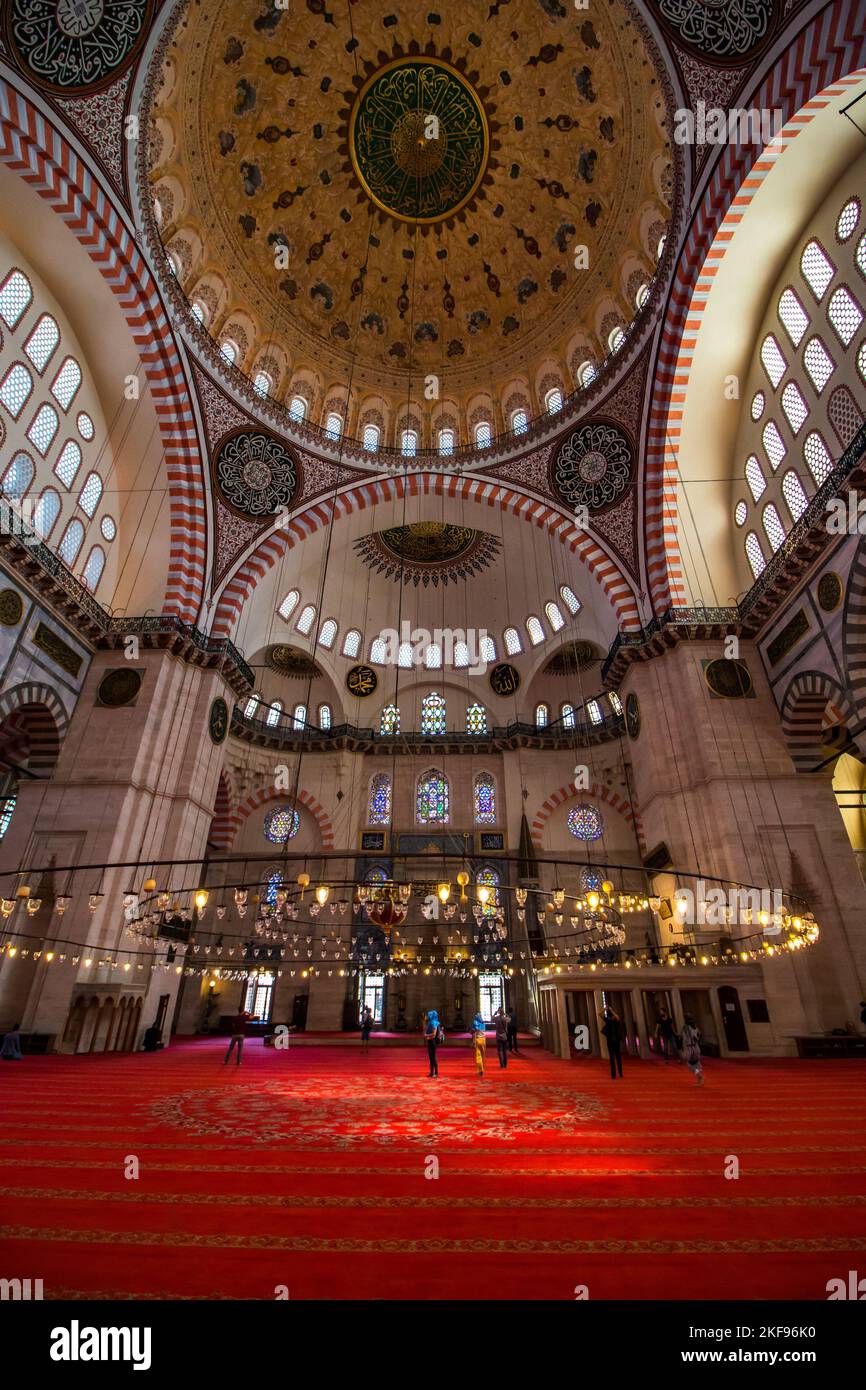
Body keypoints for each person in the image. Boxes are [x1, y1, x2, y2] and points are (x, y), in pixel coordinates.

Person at [681, 1014, 705, 1086]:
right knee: (696, 1063)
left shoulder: (685, 1027)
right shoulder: (695, 1027)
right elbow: (699, 1035)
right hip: (696, 1047)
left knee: (690, 1064)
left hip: (690, 1048)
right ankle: (699, 1078)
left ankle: (699, 1076)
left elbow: (684, 1038)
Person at [601, 1008, 623, 1080]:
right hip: (615, 1041)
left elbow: (600, 1014)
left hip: (611, 1041)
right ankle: (620, 1073)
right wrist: (611, 1010)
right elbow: (617, 1017)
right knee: (617, 1057)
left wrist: (605, 1009)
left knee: (613, 1058)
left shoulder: (609, 1021)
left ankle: (614, 1075)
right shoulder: (614, 1021)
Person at [424, 1009, 440, 1077]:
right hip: (430, 1041)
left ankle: (436, 1073)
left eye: (429, 1015)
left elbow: (434, 1034)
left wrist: (426, 1035)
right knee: (431, 1057)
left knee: (433, 1057)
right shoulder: (431, 1022)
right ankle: (431, 1072)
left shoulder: (434, 1023)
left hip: (432, 1041)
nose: (428, 1016)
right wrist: (424, 1021)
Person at [472, 1011, 486, 1079]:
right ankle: (483, 1067)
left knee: (478, 1055)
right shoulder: (483, 1022)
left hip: (478, 1039)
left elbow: (474, 1033)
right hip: (483, 1040)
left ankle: (480, 1070)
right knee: (483, 1055)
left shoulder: (475, 1022)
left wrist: (474, 1041)